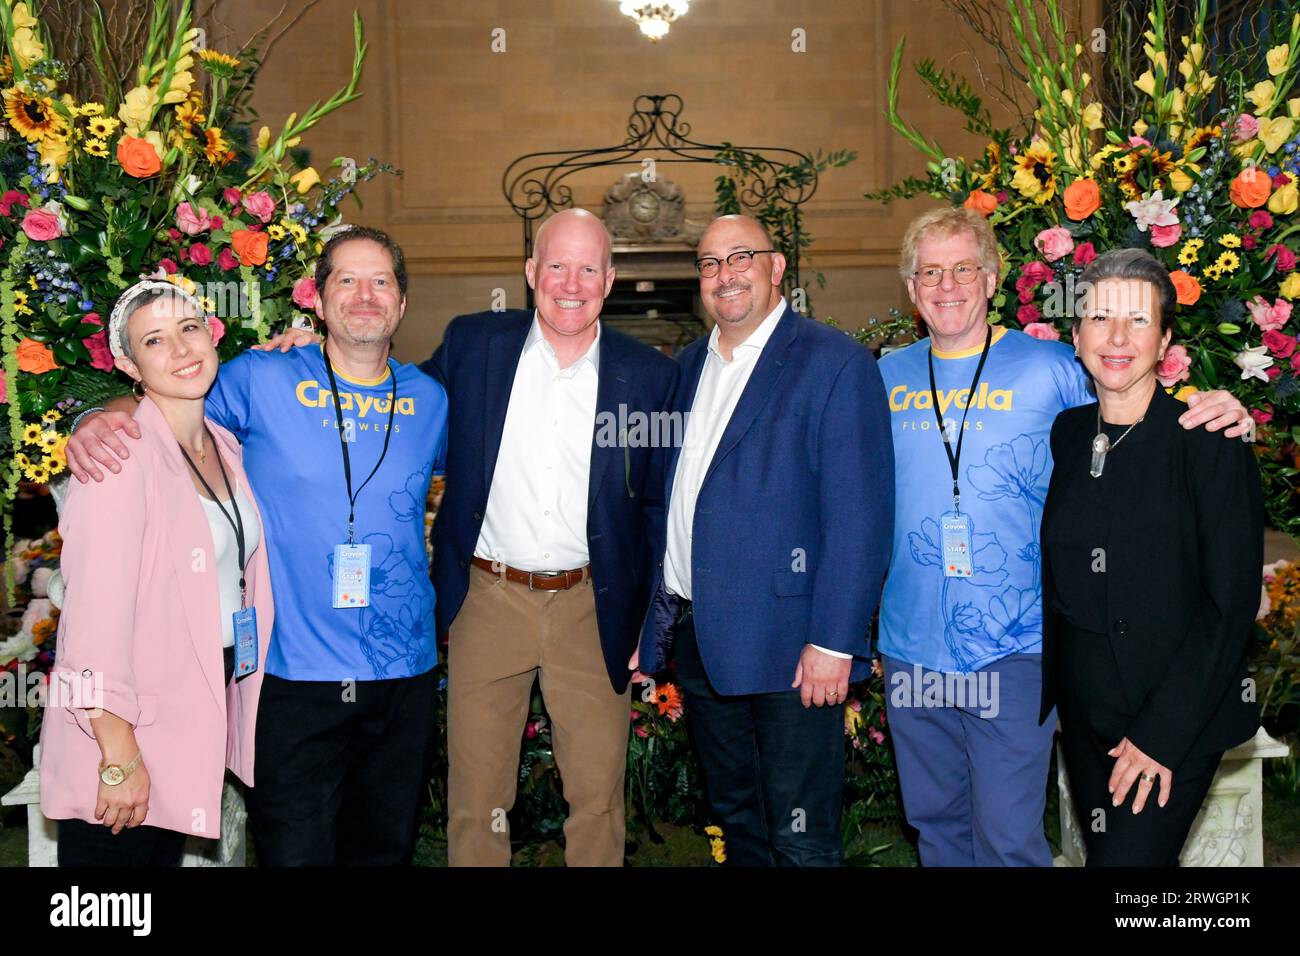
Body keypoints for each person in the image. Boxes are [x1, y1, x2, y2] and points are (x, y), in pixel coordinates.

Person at [877, 206, 1253, 866]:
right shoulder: (880, 378)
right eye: (929, 272)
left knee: (1008, 837)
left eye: (964, 267)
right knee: (935, 824)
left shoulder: (1053, 369)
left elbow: (1136, 402)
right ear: (910, 288)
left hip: (1017, 649)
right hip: (915, 649)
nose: (947, 285)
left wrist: (1226, 408)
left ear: (992, 278)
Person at [63, 227, 449, 866]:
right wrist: (96, 418)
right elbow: (165, 394)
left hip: (404, 674)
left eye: (381, 281)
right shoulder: (259, 377)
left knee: (384, 850)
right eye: (345, 280)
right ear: (317, 303)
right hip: (290, 675)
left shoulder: (430, 399)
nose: (364, 296)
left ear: (402, 304)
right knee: (294, 854)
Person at [635, 214, 893, 867]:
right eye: (710, 263)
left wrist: (836, 642)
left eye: (740, 257)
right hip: (701, 640)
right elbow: (672, 500)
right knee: (737, 823)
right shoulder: (688, 366)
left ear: (776, 268)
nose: (725, 274)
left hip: (794, 648)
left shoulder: (833, 363)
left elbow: (860, 517)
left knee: (800, 835)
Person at [424, 208, 677, 866]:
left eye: (589, 267)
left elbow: (659, 509)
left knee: (596, 802)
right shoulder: (473, 347)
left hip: (593, 608)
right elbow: (394, 398)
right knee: (479, 803)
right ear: (532, 272)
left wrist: (652, 623)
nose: (572, 282)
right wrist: (312, 353)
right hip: (487, 598)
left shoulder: (648, 376)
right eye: (557, 265)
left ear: (611, 278)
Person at [1040, 248, 1261, 866]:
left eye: (1138, 321)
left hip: (1172, 714)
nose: (1117, 337)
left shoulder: (1209, 441)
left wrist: (1160, 737)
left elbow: (1230, 604)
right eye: (1101, 317)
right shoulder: (1070, 433)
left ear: (1165, 339)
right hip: (1086, 720)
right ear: (1076, 332)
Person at [40, 281, 273, 866]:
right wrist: (118, 757)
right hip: (124, 723)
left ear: (212, 333)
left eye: (189, 328)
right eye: (155, 340)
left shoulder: (224, 445)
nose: (181, 349)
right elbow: (91, 626)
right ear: (128, 364)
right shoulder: (118, 458)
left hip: (189, 706)